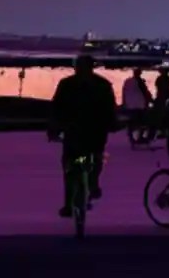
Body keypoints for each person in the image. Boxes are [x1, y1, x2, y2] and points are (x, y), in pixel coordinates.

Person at [50, 54, 118, 217]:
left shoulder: (66, 84)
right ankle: (93, 183)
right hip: (94, 133)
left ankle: (68, 204)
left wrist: (54, 129)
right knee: (95, 158)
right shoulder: (103, 85)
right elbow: (110, 109)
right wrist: (112, 124)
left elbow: (56, 109)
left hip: (74, 133)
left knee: (70, 167)